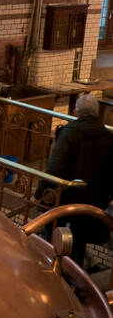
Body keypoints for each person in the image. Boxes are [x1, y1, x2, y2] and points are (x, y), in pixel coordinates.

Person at [44, 93, 113, 267]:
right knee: (79, 239)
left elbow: (55, 167)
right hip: (93, 198)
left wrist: (40, 193)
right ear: (96, 112)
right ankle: (76, 276)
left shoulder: (70, 133)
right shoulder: (107, 135)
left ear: (76, 111)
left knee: (51, 229)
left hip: (66, 195)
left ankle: (49, 264)